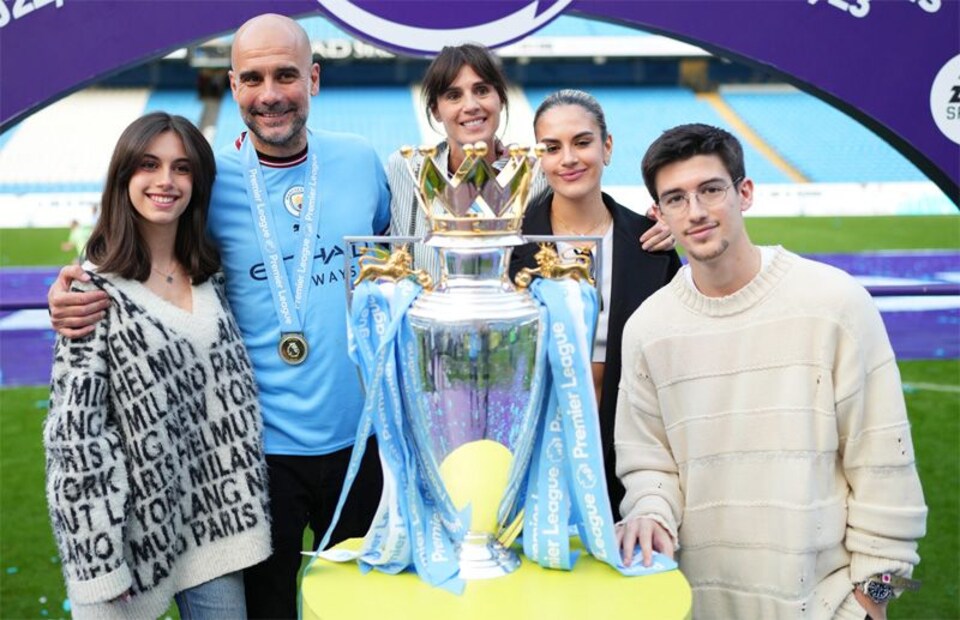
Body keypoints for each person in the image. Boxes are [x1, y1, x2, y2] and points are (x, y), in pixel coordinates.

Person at [47, 14, 390, 619]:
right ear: (233, 87)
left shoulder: (363, 162)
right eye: (252, 78)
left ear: (313, 78)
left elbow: (399, 261)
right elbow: (137, 244)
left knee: (367, 610)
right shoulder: (206, 183)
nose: (270, 94)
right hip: (254, 457)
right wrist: (73, 285)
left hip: (361, 445)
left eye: (286, 75)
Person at [615, 123, 927, 618]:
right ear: (659, 213)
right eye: (675, 199)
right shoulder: (647, 330)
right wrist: (652, 511)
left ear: (745, 193)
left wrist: (873, 603)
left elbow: (885, 469)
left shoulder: (835, 303)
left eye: (710, 190)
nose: (695, 212)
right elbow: (648, 463)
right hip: (697, 607)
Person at [43, 112, 271, 619]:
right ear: (124, 176)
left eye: (182, 168)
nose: (166, 181)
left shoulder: (212, 278)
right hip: (121, 544)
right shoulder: (90, 291)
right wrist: (100, 558)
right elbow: (76, 436)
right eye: (149, 165)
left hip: (215, 526)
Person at [508, 89, 681, 516]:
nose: (568, 158)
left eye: (582, 142)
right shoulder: (509, 245)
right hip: (531, 460)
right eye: (552, 147)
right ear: (540, 158)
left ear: (607, 147)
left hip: (629, 463)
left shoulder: (651, 244)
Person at [387, 44, 674, 280]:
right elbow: (390, 253)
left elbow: (590, 208)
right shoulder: (407, 168)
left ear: (501, 98)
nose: (471, 105)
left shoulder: (536, 170)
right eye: (453, 95)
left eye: (482, 90)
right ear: (436, 110)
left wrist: (660, 225)